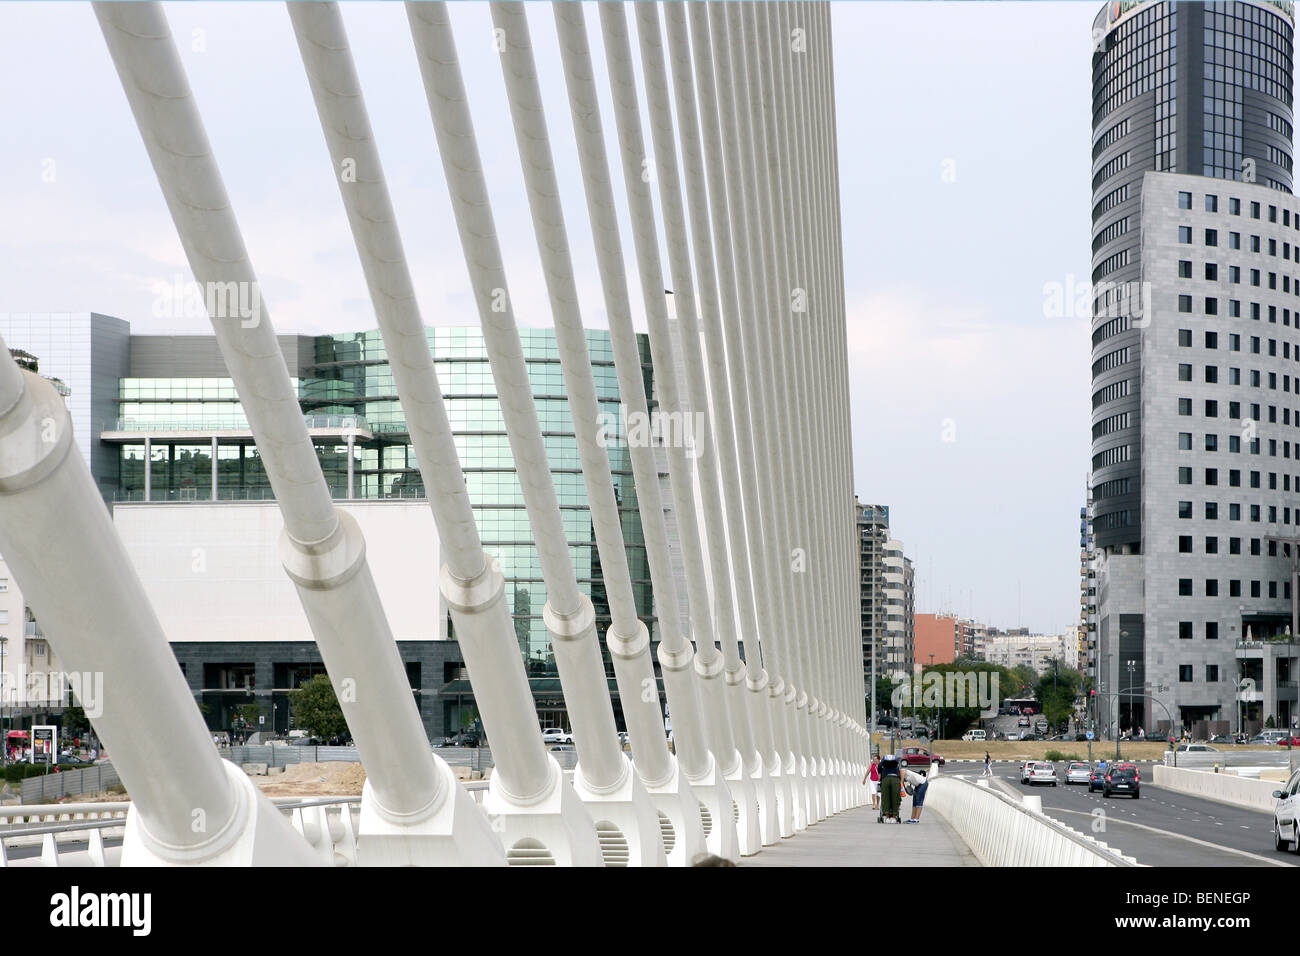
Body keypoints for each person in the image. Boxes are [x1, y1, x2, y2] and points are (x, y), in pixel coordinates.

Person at [878, 753, 902, 822]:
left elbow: (879, 775)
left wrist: (879, 782)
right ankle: (894, 817)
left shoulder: (882, 765)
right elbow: (900, 772)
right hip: (895, 779)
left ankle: (887, 816)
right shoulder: (896, 765)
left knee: (885, 798)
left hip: (885, 779)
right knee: (895, 798)